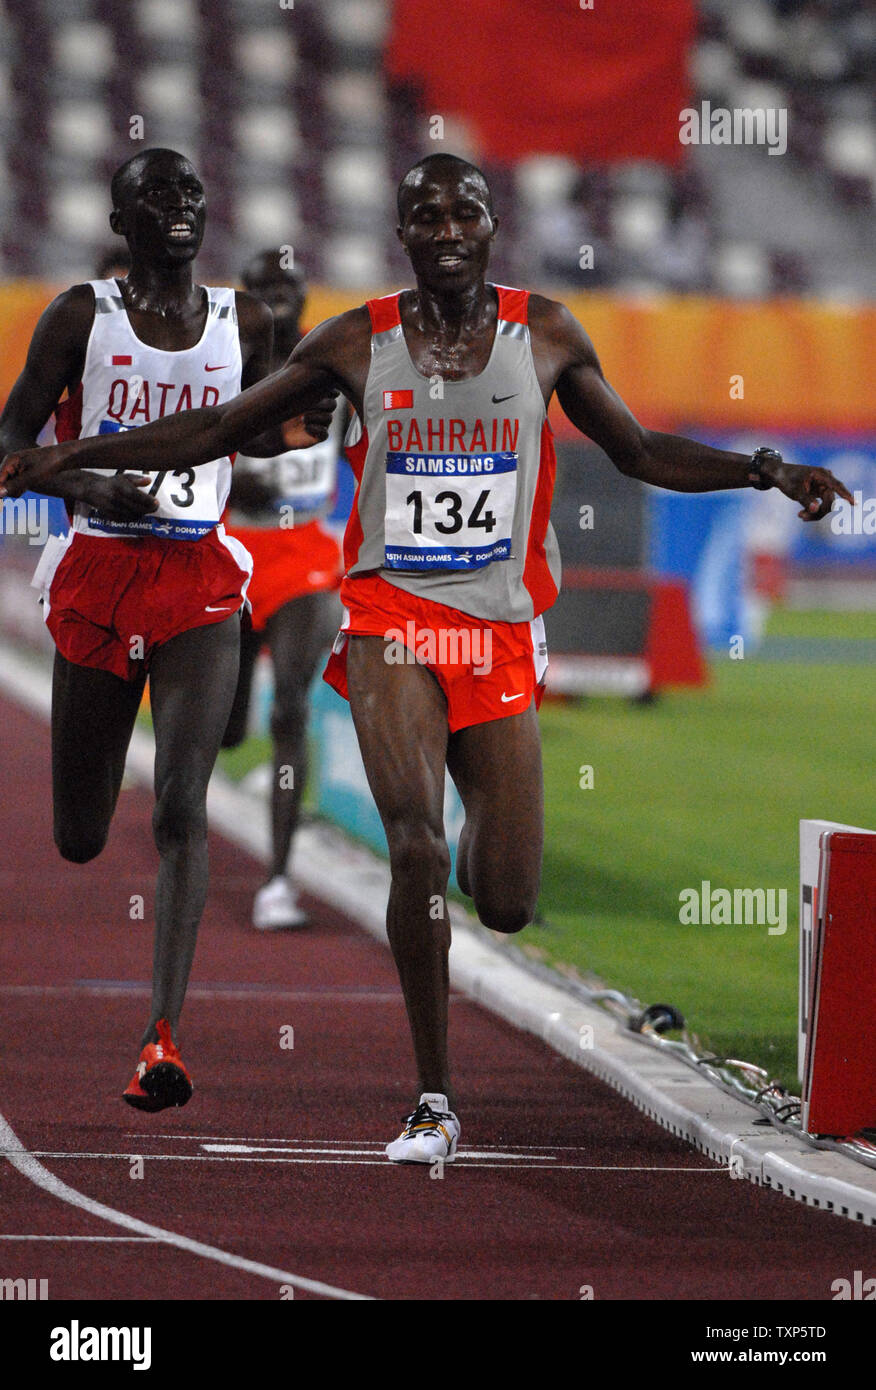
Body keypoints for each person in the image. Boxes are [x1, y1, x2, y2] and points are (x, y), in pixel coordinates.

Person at [2, 153, 851, 1160]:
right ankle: (434, 1099)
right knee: (413, 846)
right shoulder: (357, 341)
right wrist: (72, 461)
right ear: (403, 233)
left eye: (467, 211)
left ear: (493, 227)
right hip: (389, 619)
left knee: (506, 898)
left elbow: (635, 451)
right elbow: (216, 431)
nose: (448, 228)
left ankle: (446, 908)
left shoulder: (545, 333)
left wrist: (760, 467)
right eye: (427, 215)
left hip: (493, 628)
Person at [0, 147, 332, 1112]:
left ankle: (162, 1036)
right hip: (99, 574)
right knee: (78, 834)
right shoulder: (79, 317)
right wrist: (84, 479)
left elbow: (263, 430)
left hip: (199, 578)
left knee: (181, 807)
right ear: (120, 222)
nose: (180, 204)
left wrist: (326, 416)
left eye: (191, 190)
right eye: (155, 194)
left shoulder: (247, 320)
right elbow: (14, 439)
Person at [222, 250, 346, 931]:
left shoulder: (331, 369)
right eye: (261, 287)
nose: (275, 297)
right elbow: (187, 442)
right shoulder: (224, 369)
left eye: (286, 286)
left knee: (290, 711)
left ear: (303, 294)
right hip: (233, 555)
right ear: (246, 296)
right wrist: (229, 475)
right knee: (231, 728)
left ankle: (276, 881)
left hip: (304, 559)